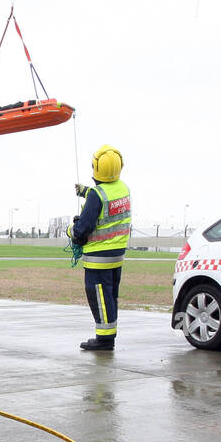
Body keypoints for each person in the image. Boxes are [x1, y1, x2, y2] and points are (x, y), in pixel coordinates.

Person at [70, 144, 131, 351]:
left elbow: (82, 228)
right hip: (117, 254)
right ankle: (109, 334)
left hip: (98, 257)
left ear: (95, 168)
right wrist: (86, 192)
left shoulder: (97, 195)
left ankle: (104, 339)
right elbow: (107, 197)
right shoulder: (123, 189)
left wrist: (71, 229)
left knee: (99, 296)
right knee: (110, 295)